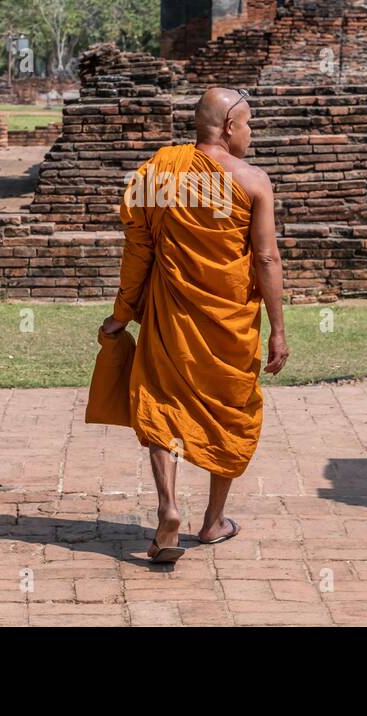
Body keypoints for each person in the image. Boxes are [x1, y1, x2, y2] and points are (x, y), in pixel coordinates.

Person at [99, 87, 288, 565]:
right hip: (231, 324)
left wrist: (123, 314)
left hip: (171, 316)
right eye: (248, 125)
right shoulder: (253, 181)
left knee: (161, 403)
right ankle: (212, 521)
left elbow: (138, 249)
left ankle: (168, 507)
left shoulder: (159, 173)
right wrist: (278, 330)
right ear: (228, 128)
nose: (251, 133)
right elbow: (266, 257)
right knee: (230, 408)